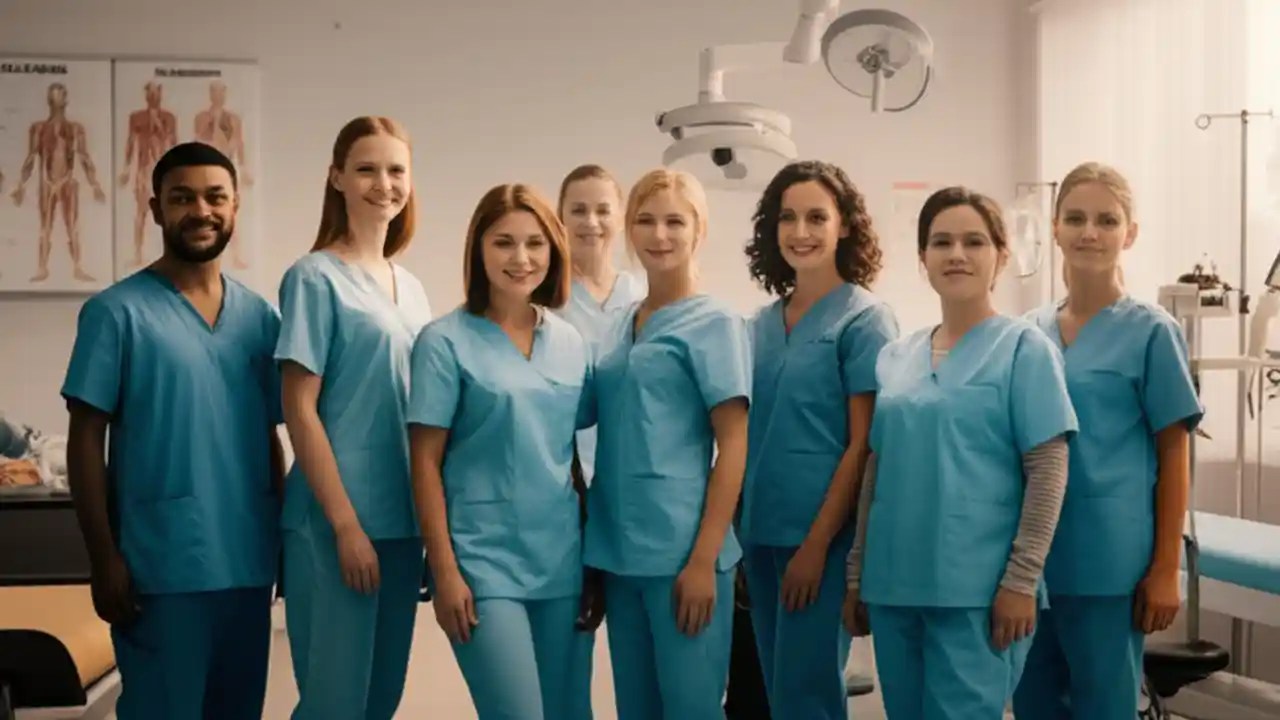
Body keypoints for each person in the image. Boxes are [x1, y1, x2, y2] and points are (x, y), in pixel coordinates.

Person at [61, 141, 283, 719]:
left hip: (246, 565)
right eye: (181, 198)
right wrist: (103, 558)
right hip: (158, 569)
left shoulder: (260, 319)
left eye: (215, 197)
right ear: (155, 208)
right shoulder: (116, 313)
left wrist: (281, 543)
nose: (200, 210)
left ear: (235, 208)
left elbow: (269, 438)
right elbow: (85, 438)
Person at [844, 185, 1077, 719]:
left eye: (973, 241)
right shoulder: (896, 357)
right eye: (941, 242)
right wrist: (858, 574)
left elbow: (1047, 470)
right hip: (894, 584)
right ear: (922, 258)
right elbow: (877, 471)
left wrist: (1021, 580)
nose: (956, 254)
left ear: (1000, 254)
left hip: (978, 592)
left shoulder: (1023, 349)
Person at [1013, 162, 1202, 719]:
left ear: (1130, 233)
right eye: (1075, 218)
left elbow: (1174, 451)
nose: (1089, 232)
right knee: (1033, 703)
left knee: (1104, 706)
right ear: (1054, 227)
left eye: (1106, 220)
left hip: (1110, 560)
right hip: (1031, 560)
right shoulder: (1028, 331)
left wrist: (1167, 566)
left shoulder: (1150, 331)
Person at [408, 183, 596, 719]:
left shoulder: (570, 342)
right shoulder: (443, 341)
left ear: (553, 251)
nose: (521, 258)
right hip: (481, 563)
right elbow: (424, 461)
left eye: (535, 243)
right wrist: (443, 571)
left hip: (561, 560)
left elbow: (573, 456)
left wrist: (593, 566)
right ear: (478, 250)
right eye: (503, 242)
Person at [274, 116, 432, 719]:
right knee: (333, 705)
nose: (383, 183)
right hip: (334, 523)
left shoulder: (410, 287)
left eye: (396, 170)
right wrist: (345, 526)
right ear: (337, 177)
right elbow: (300, 409)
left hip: (402, 521)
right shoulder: (314, 277)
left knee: (379, 703)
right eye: (366, 168)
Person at [585, 167, 751, 718]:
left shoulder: (715, 322)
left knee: (692, 709)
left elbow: (734, 445)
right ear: (629, 230)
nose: (660, 235)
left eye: (675, 222)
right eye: (646, 221)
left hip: (684, 556)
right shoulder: (621, 325)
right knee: (636, 710)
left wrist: (703, 560)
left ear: (699, 230)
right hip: (620, 552)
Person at [739, 160, 898, 719]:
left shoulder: (864, 320)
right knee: (781, 697)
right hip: (759, 535)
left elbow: (863, 446)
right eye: (787, 218)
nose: (800, 232)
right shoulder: (759, 324)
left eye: (816, 217)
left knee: (808, 698)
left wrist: (814, 548)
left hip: (821, 542)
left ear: (845, 226)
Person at [555, 163, 647, 483]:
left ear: (621, 219)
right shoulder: (546, 302)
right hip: (565, 474)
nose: (591, 222)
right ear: (560, 219)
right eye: (578, 210)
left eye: (603, 210)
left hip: (634, 469)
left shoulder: (644, 296)